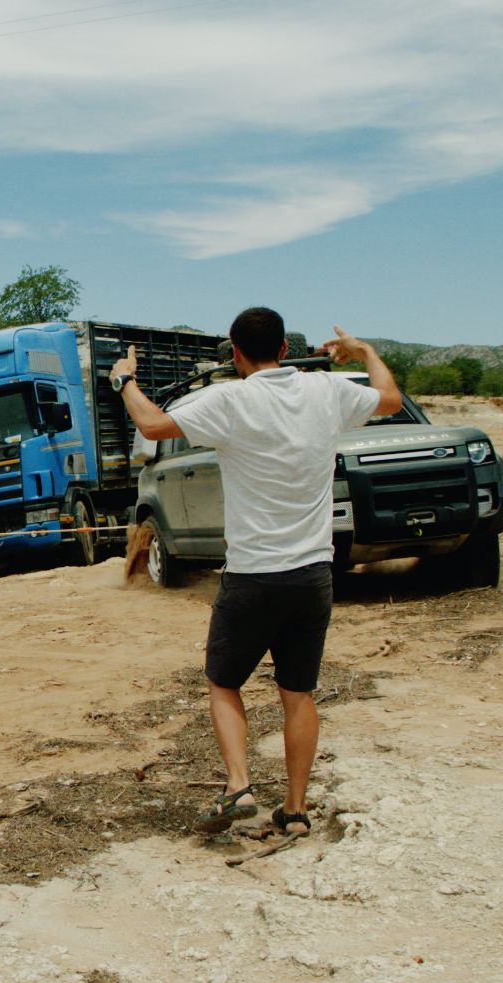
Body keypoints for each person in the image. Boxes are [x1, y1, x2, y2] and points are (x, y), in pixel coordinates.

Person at [108, 307, 402, 837]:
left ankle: (239, 785)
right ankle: (295, 809)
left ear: (236, 353)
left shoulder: (230, 400)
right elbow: (390, 400)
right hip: (313, 573)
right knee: (298, 693)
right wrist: (367, 353)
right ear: (286, 348)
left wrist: (125, 380)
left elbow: (152, 424)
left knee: (223, 682)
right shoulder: (325, 392)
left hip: (252, 575)